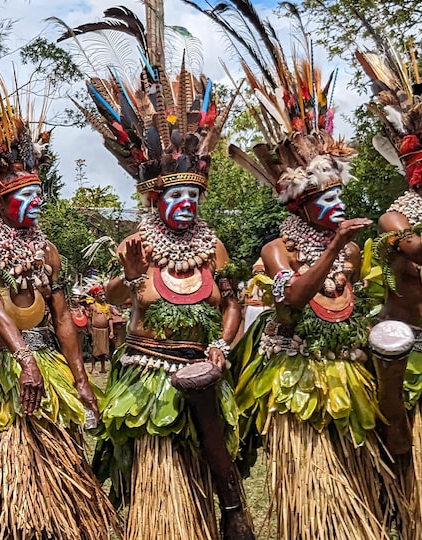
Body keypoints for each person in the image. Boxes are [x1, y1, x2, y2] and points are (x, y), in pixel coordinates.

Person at [194, 3, 389, 536]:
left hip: (345, 369)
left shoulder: (350, 247)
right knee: (314, 481)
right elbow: (292, 300)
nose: (336, 205)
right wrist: (335, 248)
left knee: (356, 466)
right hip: (295, 375)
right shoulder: (279, 248)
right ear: (299, 205)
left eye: (338, 194)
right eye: (324, 198)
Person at [61, 8, 252, 538]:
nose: (187, 203)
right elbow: (124, 299)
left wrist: (224, 344)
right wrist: (130, 276)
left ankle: (230, 514)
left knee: (211, 456)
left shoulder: (213, 246)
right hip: (147, 373)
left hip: (202, 368)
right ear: (156, 197)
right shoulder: (139, 244)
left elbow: (232, 302)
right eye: (177, 194)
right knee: (157, 465)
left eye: (193, 194)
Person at [0, 72, 121, 540]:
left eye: (38, 194)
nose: (36, 203)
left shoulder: (48, 250)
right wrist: (23, 360)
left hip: (45, 362)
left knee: (63, 453)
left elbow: (61, 317)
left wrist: (78, 378)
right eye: (25, 196)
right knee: (7, 462)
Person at [357, 44, 422, 537]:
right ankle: (399, 512)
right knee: (399, 438)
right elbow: (414, 247)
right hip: (405, 347)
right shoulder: (395, 217)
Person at [87, 284, 114, 373]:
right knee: (95, 349)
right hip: (96, 330)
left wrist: (111, 331)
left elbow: (109, 319)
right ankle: (93, 368)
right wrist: (90, 330)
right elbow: (89, 319)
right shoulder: (93, 306)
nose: (103, 297)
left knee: (103, 350)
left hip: (105, 330)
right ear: (96, 297)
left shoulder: (108, 307)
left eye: (104, 295)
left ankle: (103, 368)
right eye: (100, 295)